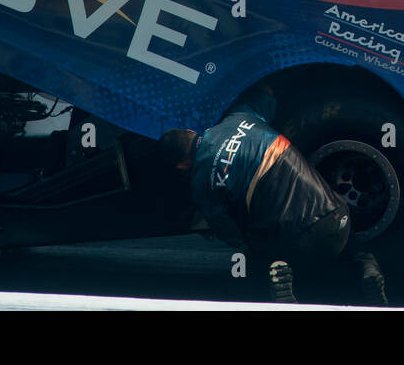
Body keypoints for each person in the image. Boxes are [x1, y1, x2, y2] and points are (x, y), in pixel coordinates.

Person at [161, 89, 386, 305]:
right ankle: (366, 267)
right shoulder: (240, 116)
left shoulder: (201, 184)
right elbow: (266, 93)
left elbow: (231, 234)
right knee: (339, 222)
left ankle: (278, 275)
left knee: (251, 258)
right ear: (191, 133)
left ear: (181, 165)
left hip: (296, 244)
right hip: (336, 223)